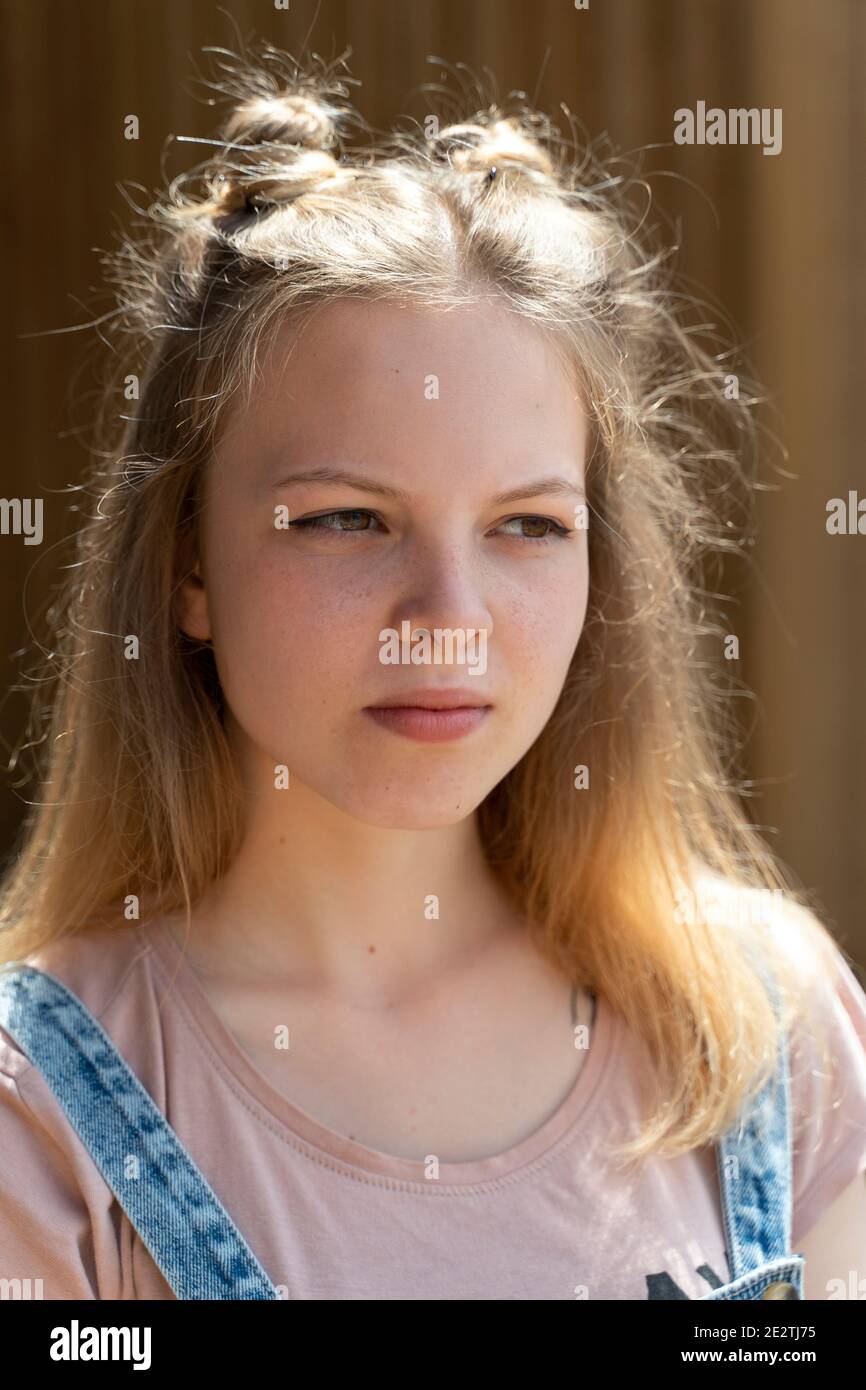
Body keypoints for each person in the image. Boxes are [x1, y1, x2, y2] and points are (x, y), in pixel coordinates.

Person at [1, 39, 864, 1301]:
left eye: (526, 526)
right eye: (347, 518)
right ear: (187, 566)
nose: (446, 621)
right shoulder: (42, 1120)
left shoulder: (764, 1029)